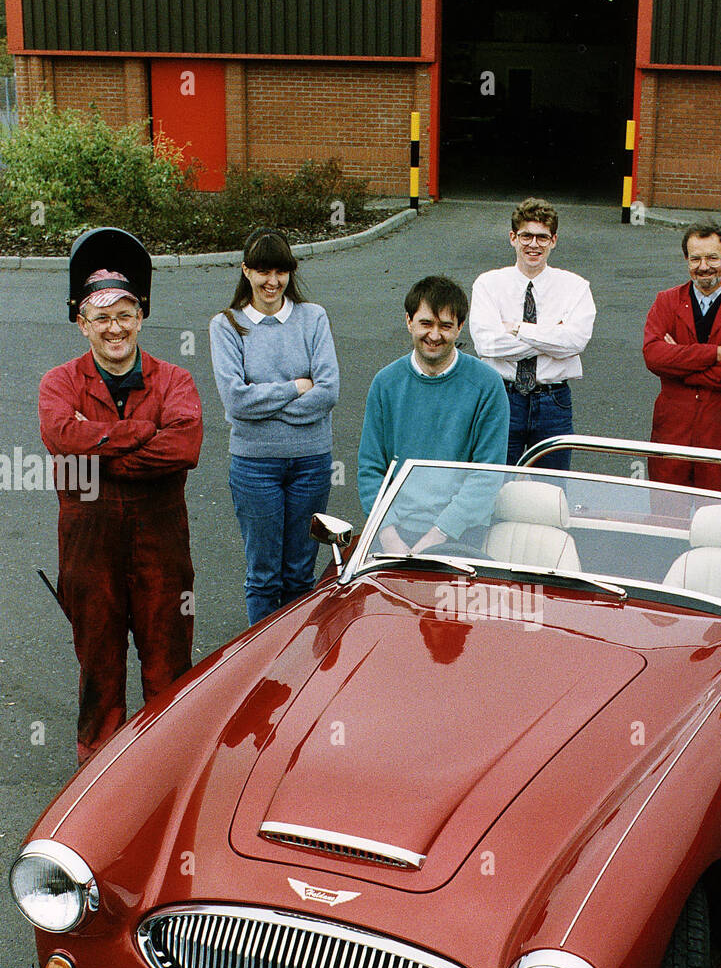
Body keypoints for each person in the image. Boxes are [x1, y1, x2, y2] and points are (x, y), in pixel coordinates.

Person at [39, 230, 202, 764]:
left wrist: (103, 443)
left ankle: (165, 769)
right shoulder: (57, 383)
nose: (115, 328)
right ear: (82, 323)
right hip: (89, 550)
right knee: (99, 666)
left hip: (161, 550)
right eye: (101, 317)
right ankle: (97, 773)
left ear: (141, 317)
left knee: (168, 664)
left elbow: (184, 446)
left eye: (125, 314)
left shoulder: (175, 379)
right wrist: (140, 432)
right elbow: (62, 434)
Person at [209, 228, 339, 624]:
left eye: (281, 271)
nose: (272, 281)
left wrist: (263, 404)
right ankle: (263, 668)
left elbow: (329, 390)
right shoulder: (226, 325)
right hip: (255, 467)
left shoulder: (313, 317)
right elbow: (235, 399)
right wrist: (296, 388)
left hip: (311, 463)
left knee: (300, 575)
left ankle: (296, 661)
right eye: (262, 271)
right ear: (245, 271)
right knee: (264, 576)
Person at [357, 276, 509, 552]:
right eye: (426, 323)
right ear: (409, 321)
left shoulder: (488, 385)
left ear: (460, 327)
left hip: (461, 533)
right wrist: (390, 537)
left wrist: (436, 537)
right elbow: (371, 469)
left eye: (446, 326)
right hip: (392, 531)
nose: (435, 335)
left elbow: (487, 474)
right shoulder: (385, 383)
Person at [469, 198, 595, 470]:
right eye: (526, 236)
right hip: (502, 396)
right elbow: (487, 344)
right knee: (495, 484)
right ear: (513, 238)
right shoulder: (488, 284)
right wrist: (553, 335)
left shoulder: (576, 287)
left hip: (554, 402)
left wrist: (517, 328)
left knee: (550, 490)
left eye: (542, 237)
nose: (533, 244)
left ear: (554, 241)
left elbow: (576, 342)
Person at [643, 220, 721, 493]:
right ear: (686, 259)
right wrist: (715, 353)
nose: (704, 266)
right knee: (667, 517)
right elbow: (653, 355)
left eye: (712, 257)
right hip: (672, 434)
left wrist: (679, 364)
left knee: (718, 522)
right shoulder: (666, 301)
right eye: (695, 258)